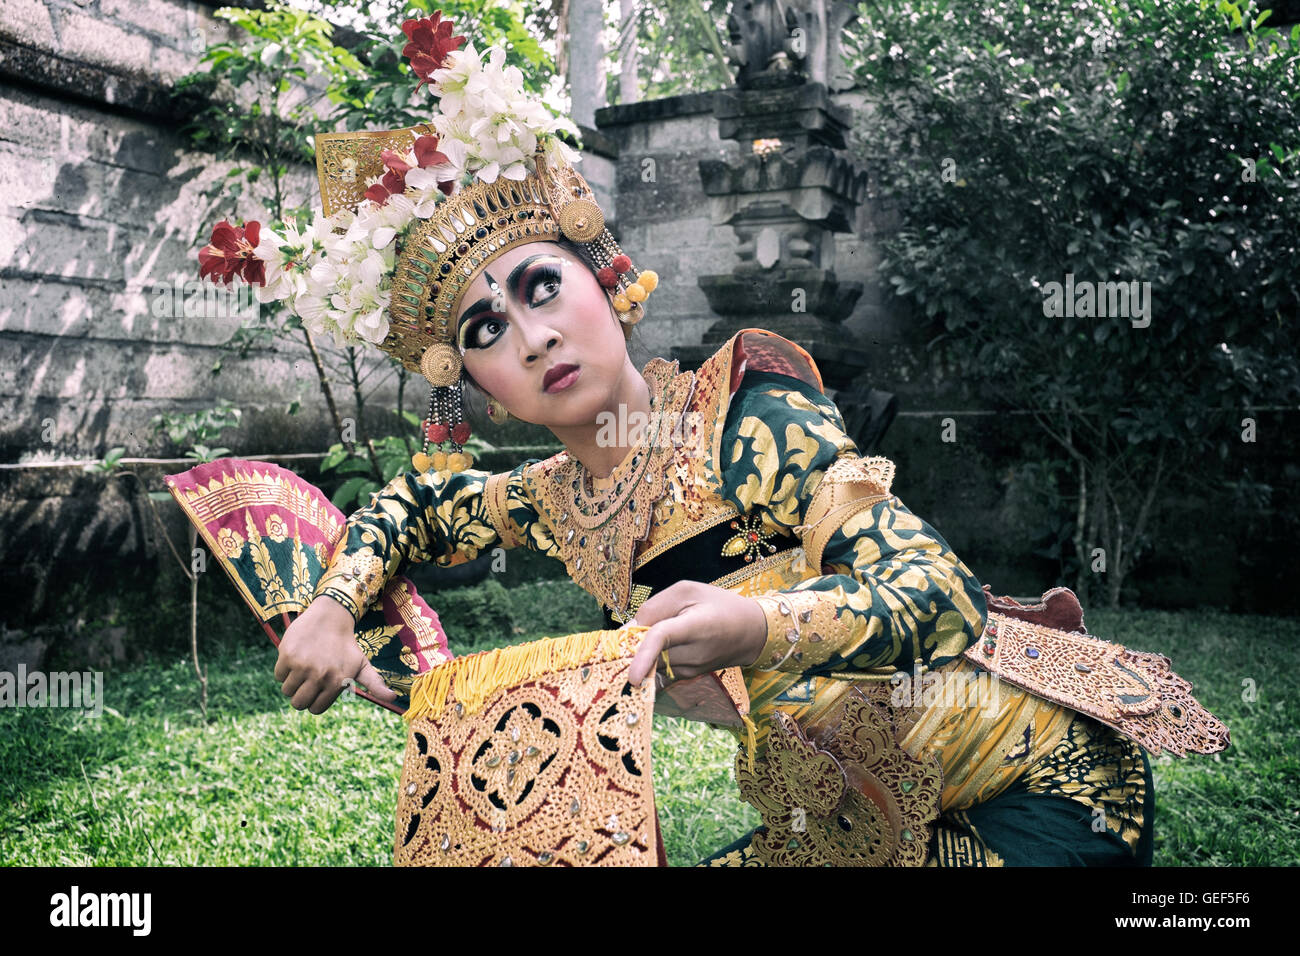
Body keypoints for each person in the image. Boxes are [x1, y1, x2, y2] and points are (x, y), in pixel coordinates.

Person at [210, 9, 1227, 866]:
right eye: (485, 332)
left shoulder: (746, 411)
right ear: (474, 384)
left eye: (539, 287)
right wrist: (333, 605)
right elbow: (419, 505)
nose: (531, 337)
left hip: (1041, 784)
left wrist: (759, 628)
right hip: (854, 814)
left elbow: (940, 595)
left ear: (603, 285)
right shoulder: (560, 497)